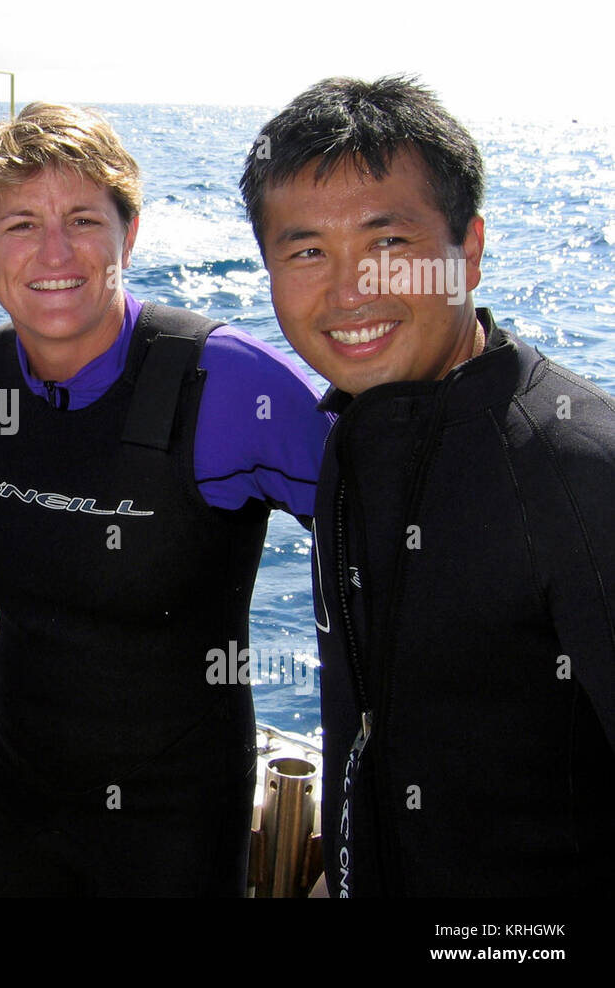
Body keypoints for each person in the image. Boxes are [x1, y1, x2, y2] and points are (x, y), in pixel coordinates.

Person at [0, 102, 331, 896]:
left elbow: (381, 534)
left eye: (84, 218)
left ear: (131, 233)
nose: (55, 251)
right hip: (18, 798)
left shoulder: (226, 381)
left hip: (176, 820)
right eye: (19, 224)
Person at [240, 75, 615, 897]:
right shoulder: (356, 434)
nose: (349, 292)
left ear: (469, 251)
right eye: (307, 251)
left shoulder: (579, 465)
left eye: (388, 244)